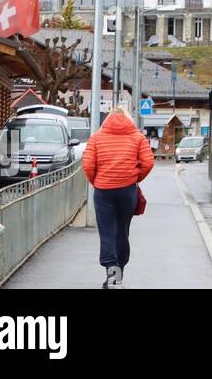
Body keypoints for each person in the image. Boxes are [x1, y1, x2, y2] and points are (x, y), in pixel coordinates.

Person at [81, 106, 154, 289]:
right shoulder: (137, 137)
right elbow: (148, 162)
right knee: (122, 231)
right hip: (126, 191)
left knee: (107, 234)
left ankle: (112, 276)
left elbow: (88, 165)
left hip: (103, 191)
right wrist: (135, 178)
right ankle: (118, 273)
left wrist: (96, 181)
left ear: (107, 120)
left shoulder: (96, 138)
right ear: (129, 120)